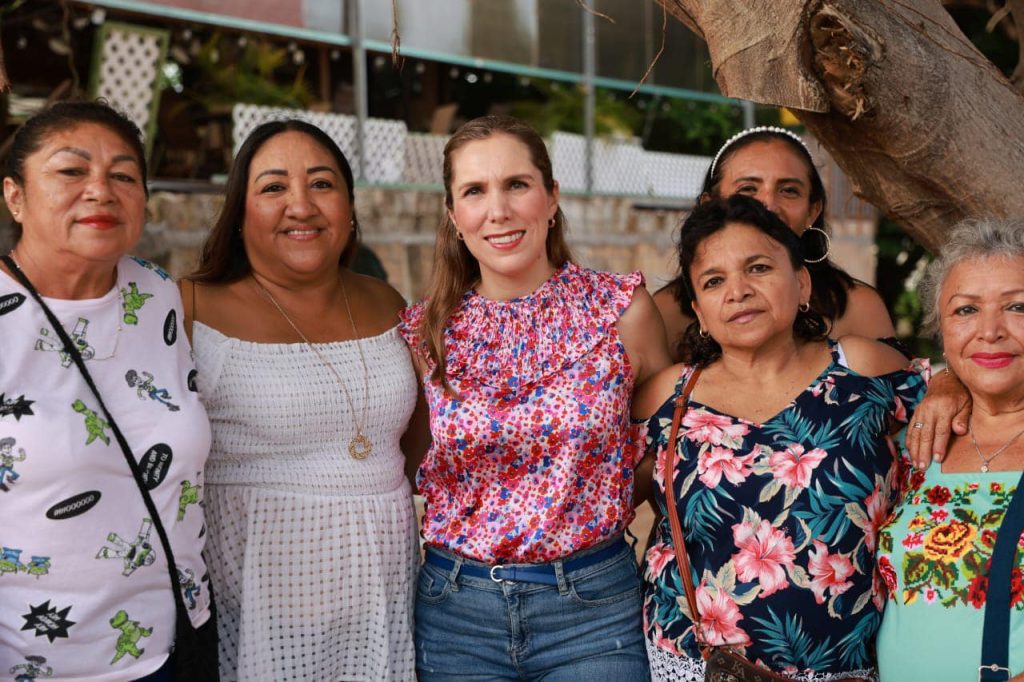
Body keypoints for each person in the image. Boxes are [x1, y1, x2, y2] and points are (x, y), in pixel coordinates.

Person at [398, 115, 671, 679]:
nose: (497, 210)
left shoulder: (621, 310)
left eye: (516, 184)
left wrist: (601, 496)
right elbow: (413, 462)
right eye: (474, 191)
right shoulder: (426, 332)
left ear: (552, 198)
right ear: (454, 216)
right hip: (457, 613)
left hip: (593, 609)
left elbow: (666, 440)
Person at [633, 194, 927, 681]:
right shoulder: (668, 396)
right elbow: (603, 497)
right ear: (699, 312)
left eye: (759, 268)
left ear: (802, 281)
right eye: (713, 281)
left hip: (846, 669)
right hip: (692, 666)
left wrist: (952, 387)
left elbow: (965, 410)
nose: (738, 291)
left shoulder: (863, 369)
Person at [182, 119, 428, 681]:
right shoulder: (191, 307)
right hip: (254, 604)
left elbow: (418, 451)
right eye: (273, 187)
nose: (301, 205)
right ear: (239, 214)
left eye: (322, 184)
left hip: (380, 598)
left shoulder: (388, 303)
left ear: (348, 206)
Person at [0, 101, 214, 680]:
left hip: (176, 645)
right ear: (15, 196)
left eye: (123, 175)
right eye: (71, 172)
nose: (101, 190)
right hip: (37, 662)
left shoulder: (157, 295)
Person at [877, 218, 1024, 681]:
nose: (990, 331)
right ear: (940, 330)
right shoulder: (914, 445)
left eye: (1017, 306)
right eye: (965, 311)